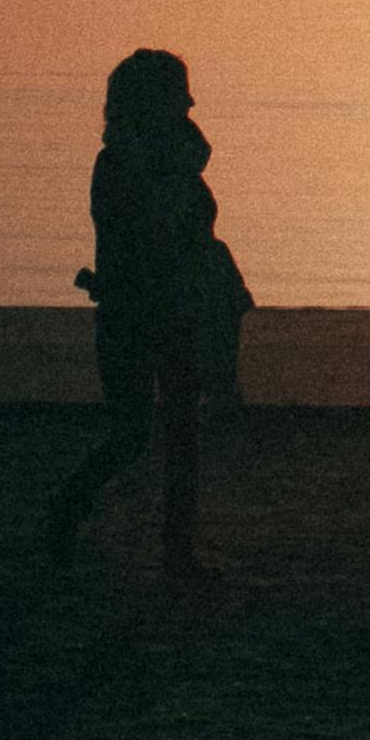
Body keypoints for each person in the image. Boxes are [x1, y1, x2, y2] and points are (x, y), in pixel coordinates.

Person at [48, 47, 240, 575]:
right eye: (177, 99)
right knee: (135, 434)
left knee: (178, 432)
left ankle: (176, 549)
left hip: (174, 308)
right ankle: (68, 511)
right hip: (139, 310)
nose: (188, 109)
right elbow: (147, 236)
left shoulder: (171, 157)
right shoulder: (126, 164)